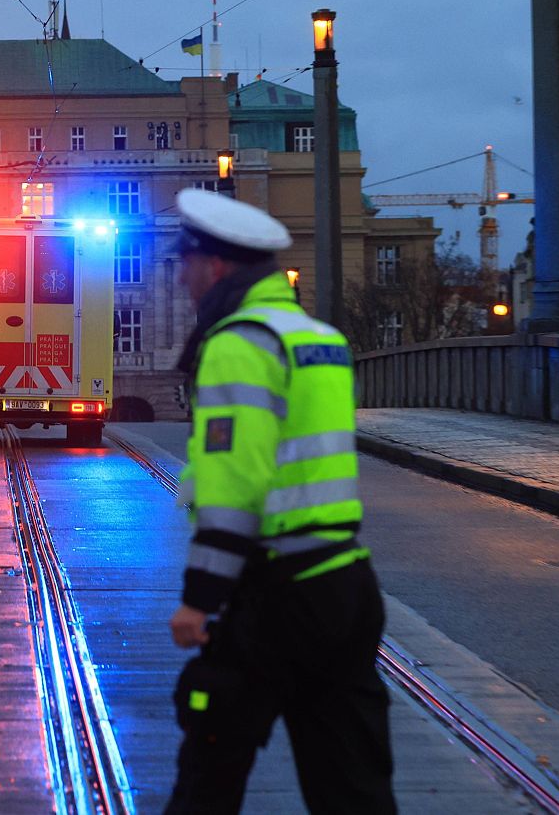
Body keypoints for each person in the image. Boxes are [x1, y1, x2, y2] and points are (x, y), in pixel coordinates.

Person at [165, 189, 395, 814]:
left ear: (214, 266)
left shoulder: (239, 344)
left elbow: (236, 483)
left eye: (182, 265)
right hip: (346, 582)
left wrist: (199, 599)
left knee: (209, 770)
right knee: (352, 781)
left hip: (276, 593)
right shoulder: (317, 336)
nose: (181, 279)